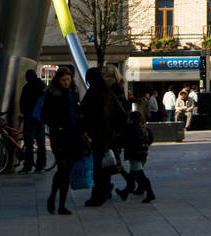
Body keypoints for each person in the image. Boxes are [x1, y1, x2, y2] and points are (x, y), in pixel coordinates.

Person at [81, 66, 129, 206]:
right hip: (108, 135)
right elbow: (121, 114)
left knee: (98, 166)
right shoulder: (108, 91)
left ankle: (99, 194)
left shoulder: (93, 93)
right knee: (105, 165)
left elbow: (85, 112)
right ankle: (105, 190)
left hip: (97, 135)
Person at [42, 66, 83, 215]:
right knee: (63, 169)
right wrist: (56, 125)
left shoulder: (73, 92)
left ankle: (57, 201)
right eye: (63, 80)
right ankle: (56, 201)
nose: (66, 82)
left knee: (65, 170)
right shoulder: (52, 94)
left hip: (72, 135)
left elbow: (77, 112)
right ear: (58, 80)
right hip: (59, 136)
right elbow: (45, 114)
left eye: (68, 79)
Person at [116, 111, 156, 202]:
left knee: (140, 175)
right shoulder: (145, 129)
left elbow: (122, 140)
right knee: (133, 175)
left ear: (132, 120)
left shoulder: (131, 129)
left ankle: (150, 193)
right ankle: (125, 192)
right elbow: (150, 140)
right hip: (142, 154)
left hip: (134, 155)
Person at [19, 68, 47, 172]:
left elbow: (22, 103)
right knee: (41, 143)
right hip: (41, 118)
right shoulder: (43, 86)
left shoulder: (27, 87)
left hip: (30, 118)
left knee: (29, 144)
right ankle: (41, 165)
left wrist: (24, 112)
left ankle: (28, 166)